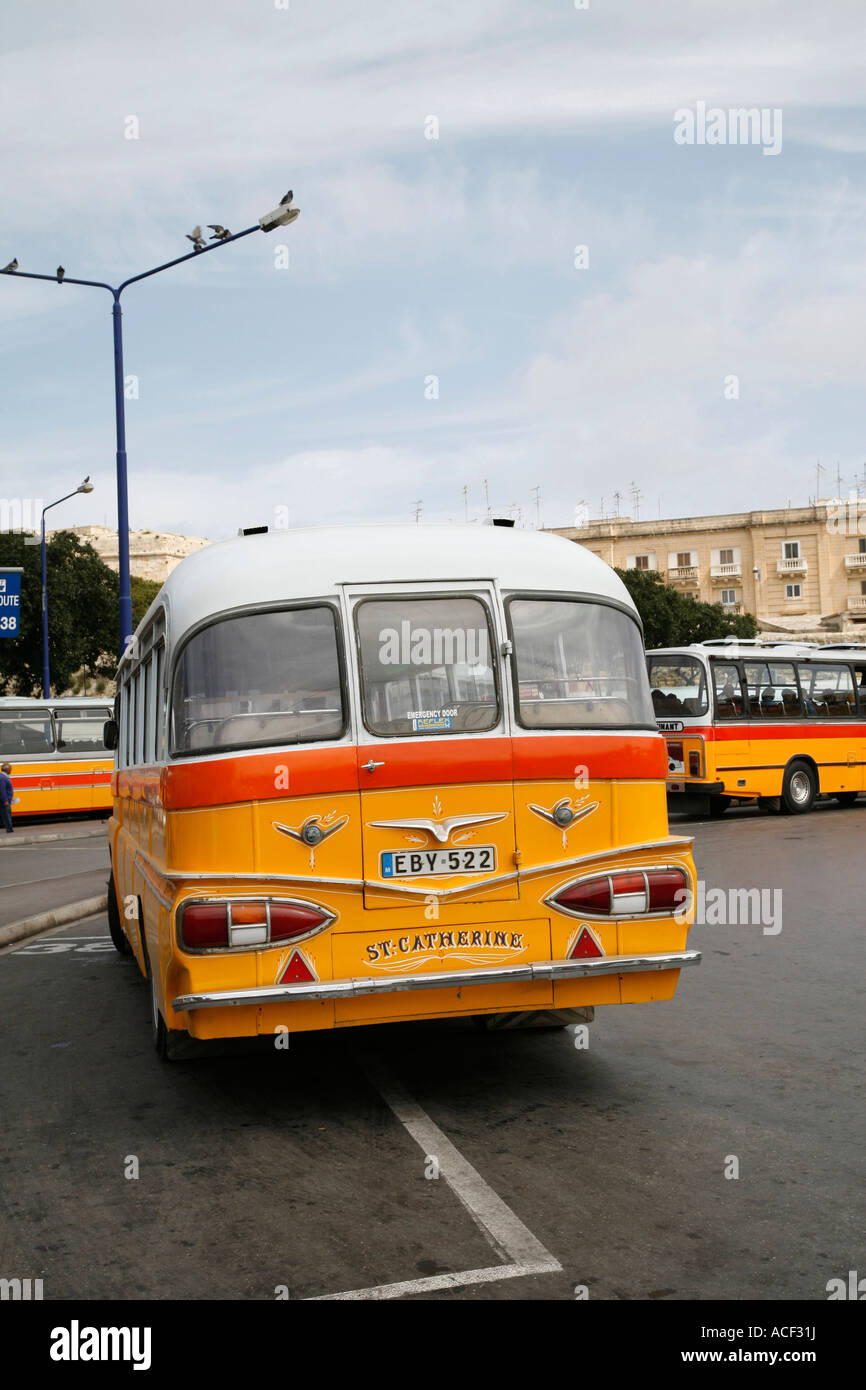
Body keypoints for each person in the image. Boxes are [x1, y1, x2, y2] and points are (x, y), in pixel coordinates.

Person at [0, 762, 13, 834]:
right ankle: (9, 830)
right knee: (7, 816)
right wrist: (5, 800)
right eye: (10, 769)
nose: (11, 770)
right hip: (5, 801)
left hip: (6, 800)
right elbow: (2, 790)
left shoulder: (3, 777)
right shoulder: (2, 778)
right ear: (7, 770)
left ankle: (9, 829)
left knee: (6, 815)